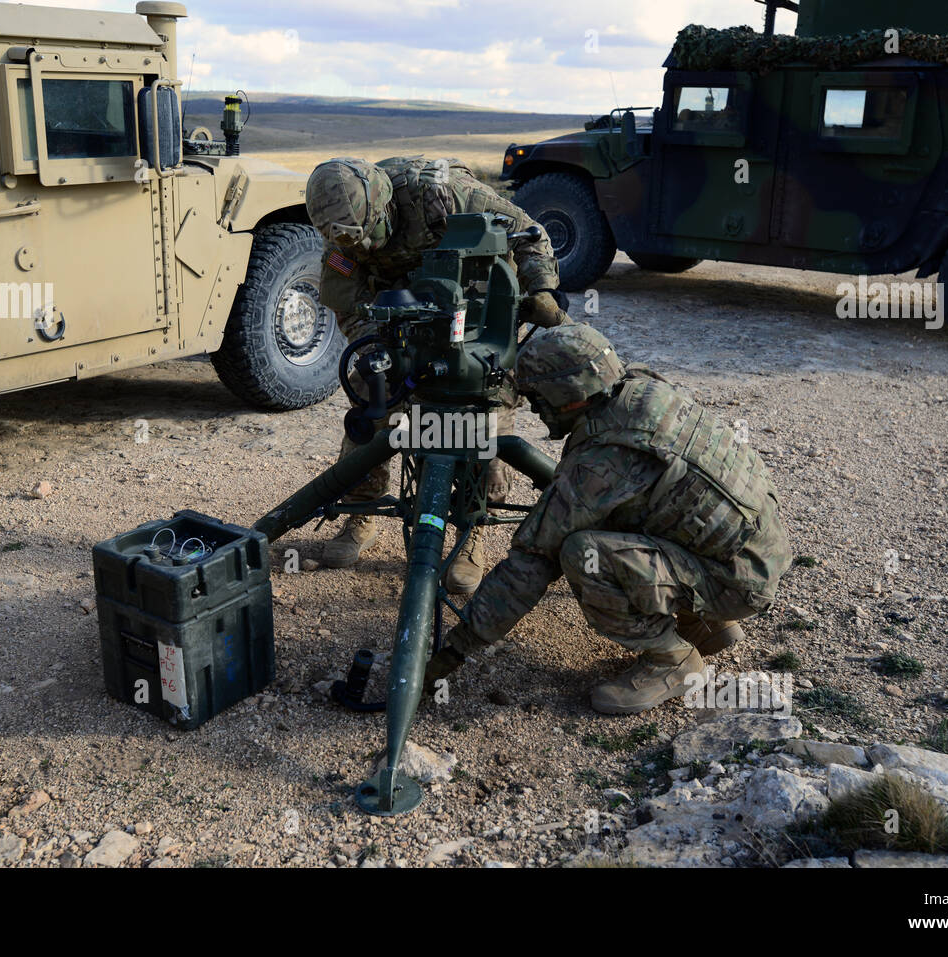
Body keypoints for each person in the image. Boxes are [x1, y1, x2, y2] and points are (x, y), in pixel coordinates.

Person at [424, 324, 793, 714]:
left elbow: (529, 565)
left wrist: (456, 650)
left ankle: (673, 660)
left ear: (566, 395)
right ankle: (703, 623)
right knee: (625, 513)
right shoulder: (642, 387)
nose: (534, 407)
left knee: (581, 552)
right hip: (756, 551)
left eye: (538, 396)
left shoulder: (601, 466)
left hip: (735, 581)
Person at [305, 155, 567, 593]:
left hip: (480, 312)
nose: (364, 249)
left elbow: (530, 234)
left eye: (369, 234)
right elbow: (346, 302)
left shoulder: (441, 193)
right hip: (408, 322)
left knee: (484, 412)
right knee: (371, 394)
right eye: (353, 244)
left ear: (382, 202)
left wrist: (540, 289)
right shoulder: (342, 239)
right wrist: (385, 346)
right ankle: (361, 514)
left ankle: (470, 533)